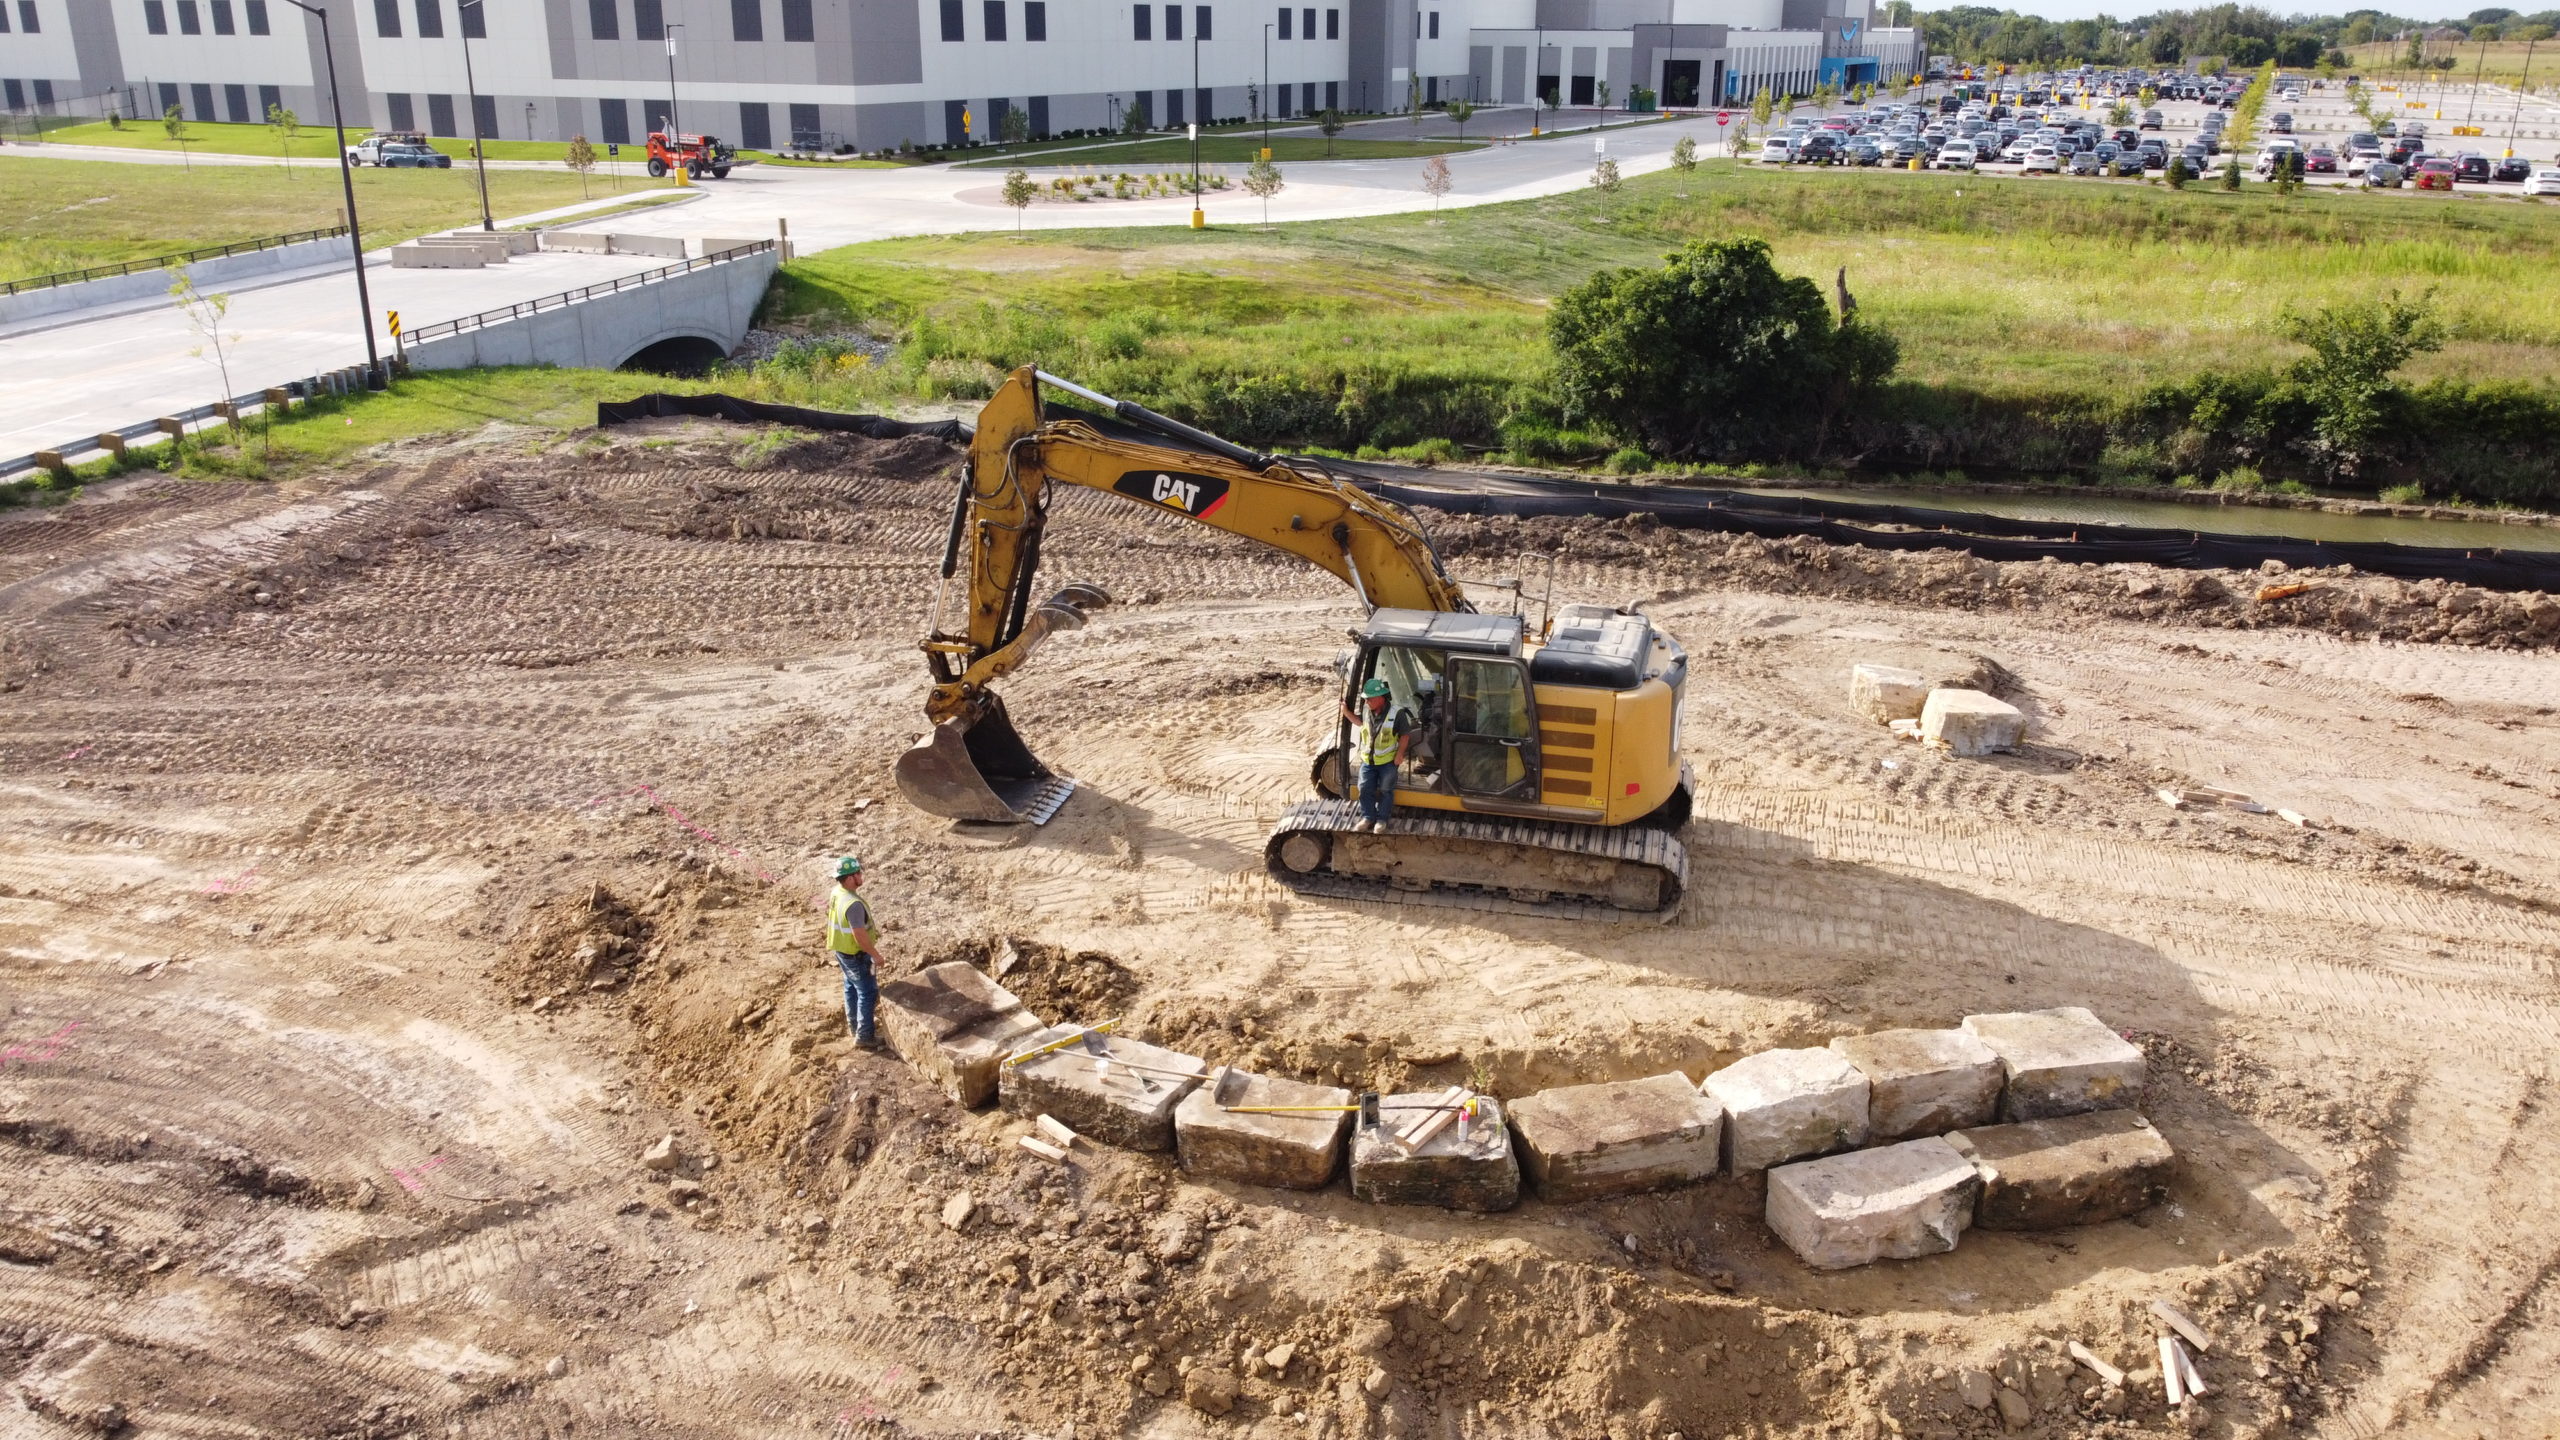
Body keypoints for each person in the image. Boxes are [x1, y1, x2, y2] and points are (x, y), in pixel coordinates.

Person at [824, 856, 884, 1050]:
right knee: (867, 991)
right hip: (855, 953)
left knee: (850, 985)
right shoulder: (853, 904)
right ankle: (865, 1035)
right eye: (858, 873)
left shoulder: (837, 892)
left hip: (841, 950)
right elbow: (859, 934)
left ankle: (854, 1025)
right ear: (850, 878)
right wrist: (875, 954)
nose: (861, 876)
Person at [1342, 677, 1408, 833]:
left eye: (1369, 699)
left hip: (1388, 762)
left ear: (1380, 698)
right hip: (1368, 761)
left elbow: (1405, 736)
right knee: (1364, 788)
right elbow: (1360, 723)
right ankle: (1368, 817)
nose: (1366, 702)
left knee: (1386, 790)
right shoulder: (1366, 711)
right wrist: (1346, 713)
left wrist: (1400, 755)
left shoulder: (1396, 713)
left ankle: (1382, 820)